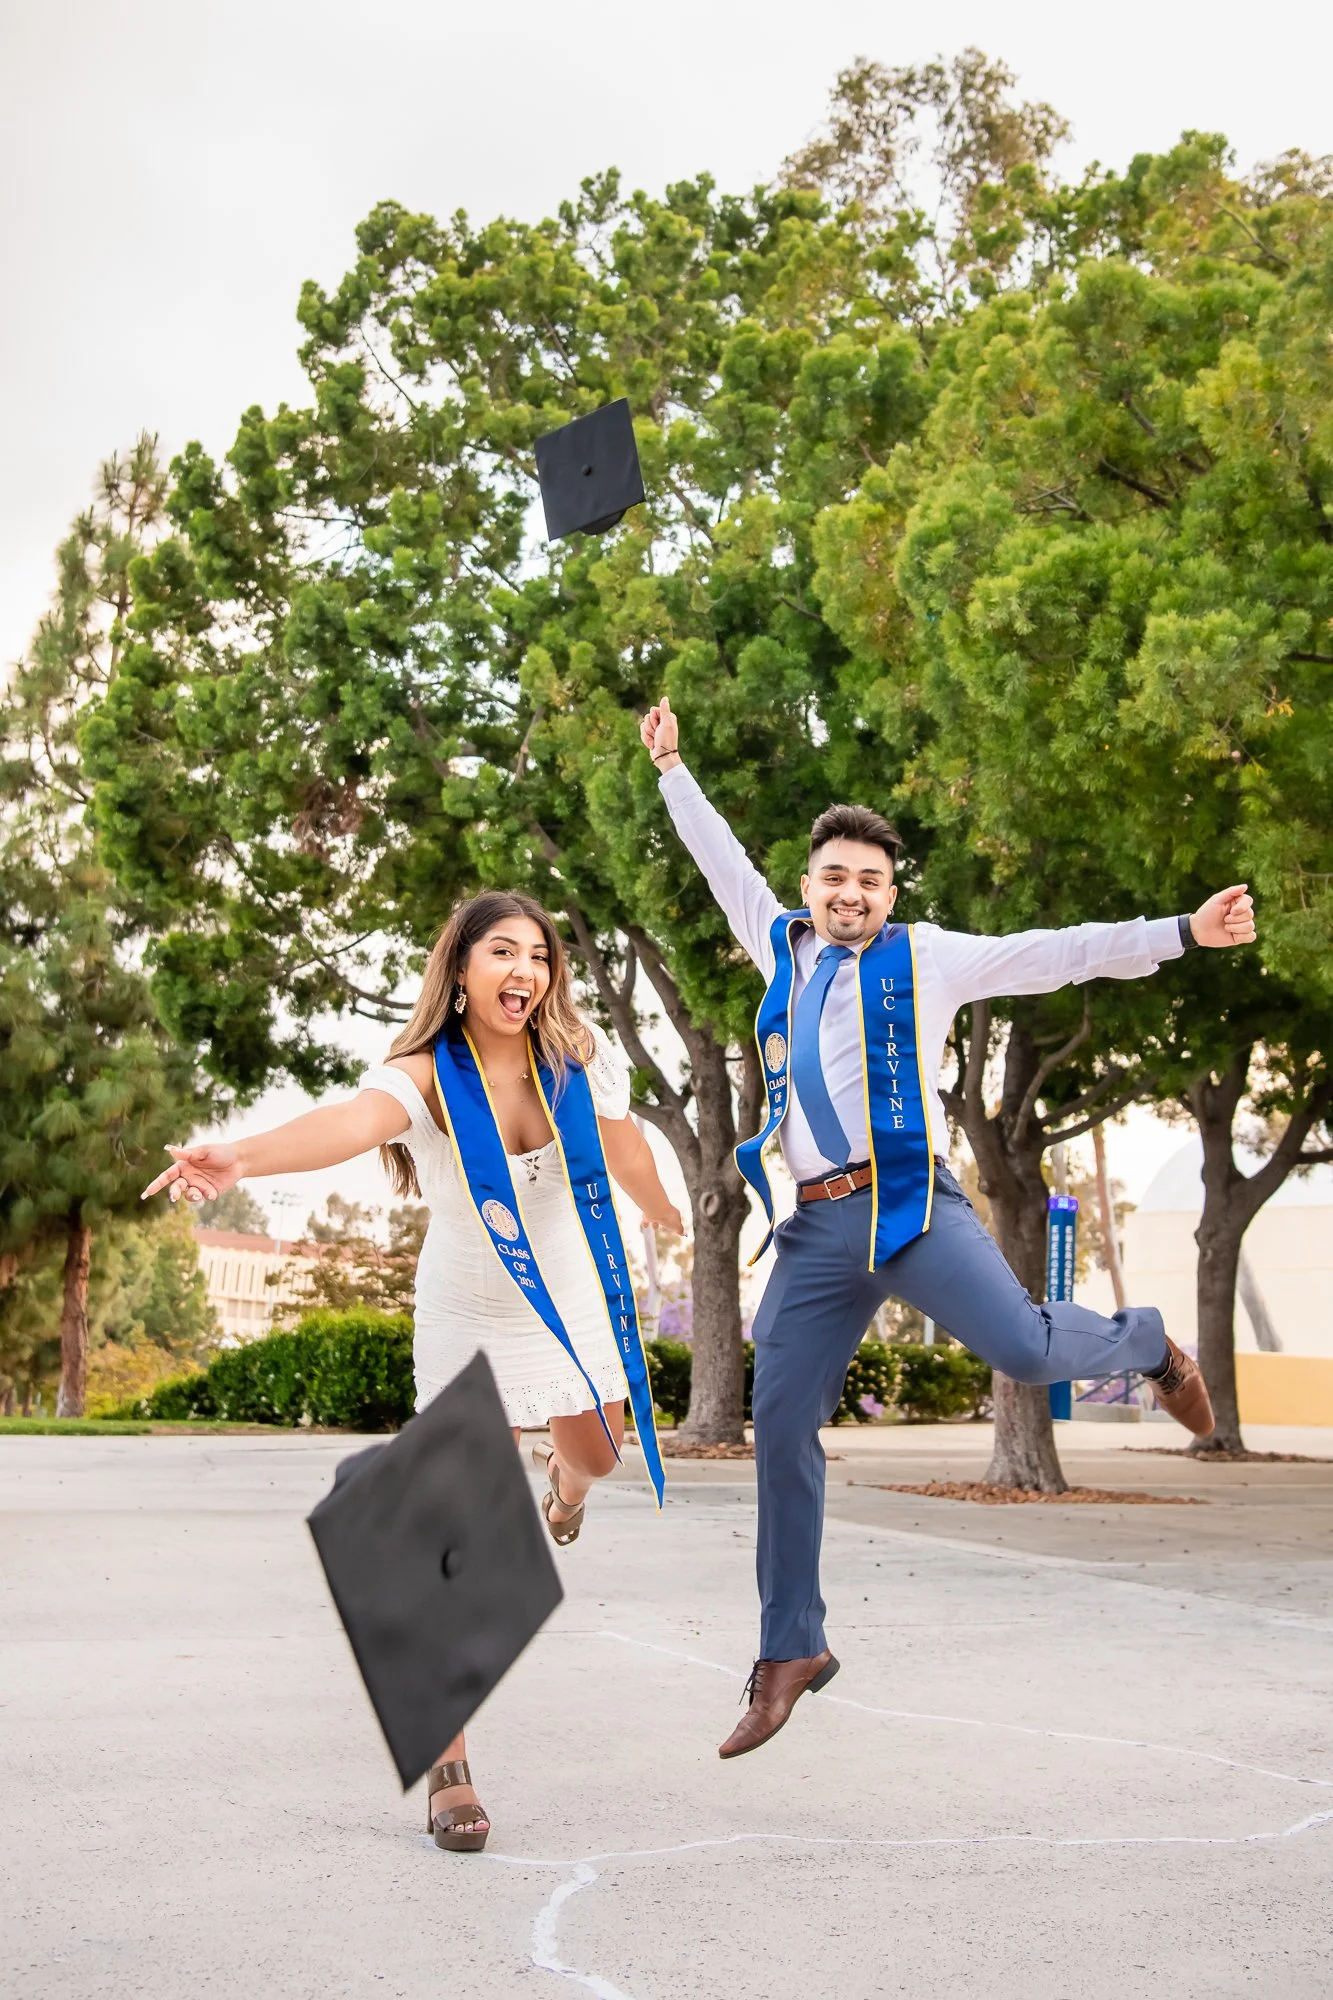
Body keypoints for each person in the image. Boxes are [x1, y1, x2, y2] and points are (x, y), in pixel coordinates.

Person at [640, 694, 1258, 1760]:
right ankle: (791, 1648)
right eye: (834, 876)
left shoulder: (930, 956)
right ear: (809, 886)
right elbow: (716, 860)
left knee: (1020, 1344)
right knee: (777, 1427)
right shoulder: (776, 944)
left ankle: (1146, 1340)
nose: (851, 893)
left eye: (870, 879)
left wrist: (1180, 933)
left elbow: (1055, 950)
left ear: (889, 892)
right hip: (815, 1231)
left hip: (912, 1204)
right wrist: (670, 772)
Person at [144, 890, 683, 1847]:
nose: (525, 972)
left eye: (539, 957)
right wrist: (240, 1157)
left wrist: (658, 1205)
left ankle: (562, 1491)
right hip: (468, 1314)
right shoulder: (422, 1074)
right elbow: (346, 1127)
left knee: (597, 1455)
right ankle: (451, 1764)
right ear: (462, 969)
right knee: (453, 1540)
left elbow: (623, 1146)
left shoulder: (578, 1058)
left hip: (567, 1303)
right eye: (503, 954)